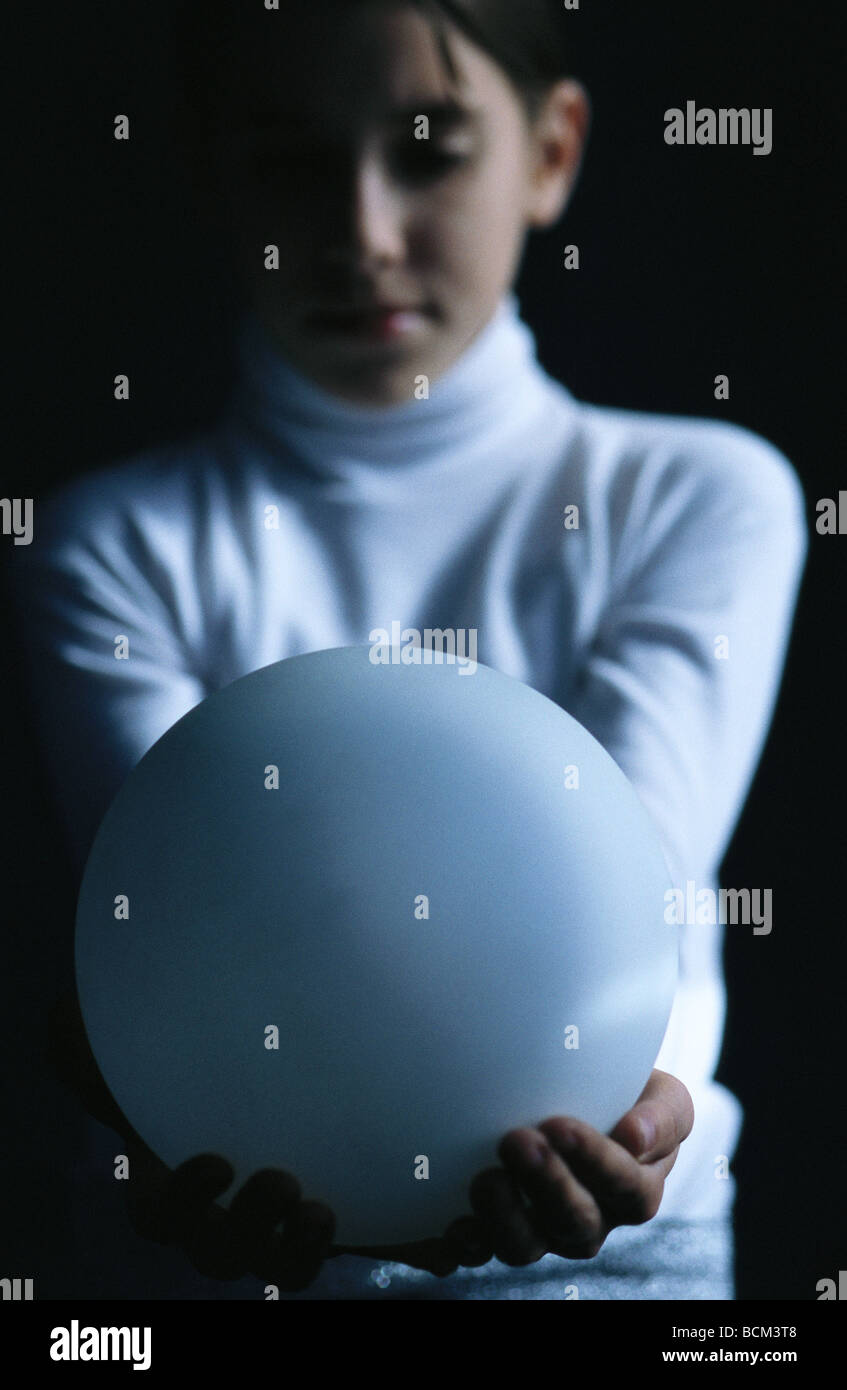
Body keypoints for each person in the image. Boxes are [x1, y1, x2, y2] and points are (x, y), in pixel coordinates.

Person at [10, 0, 807, 1300]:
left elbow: (624, 897)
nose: (363, 234)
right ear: (212, 170)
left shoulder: (699, 495)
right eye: (292, 162)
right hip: (224, 1277)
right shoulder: (108, 542)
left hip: (611, 1275)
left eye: (429, 149)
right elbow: (179, 945)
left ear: (551, 154)